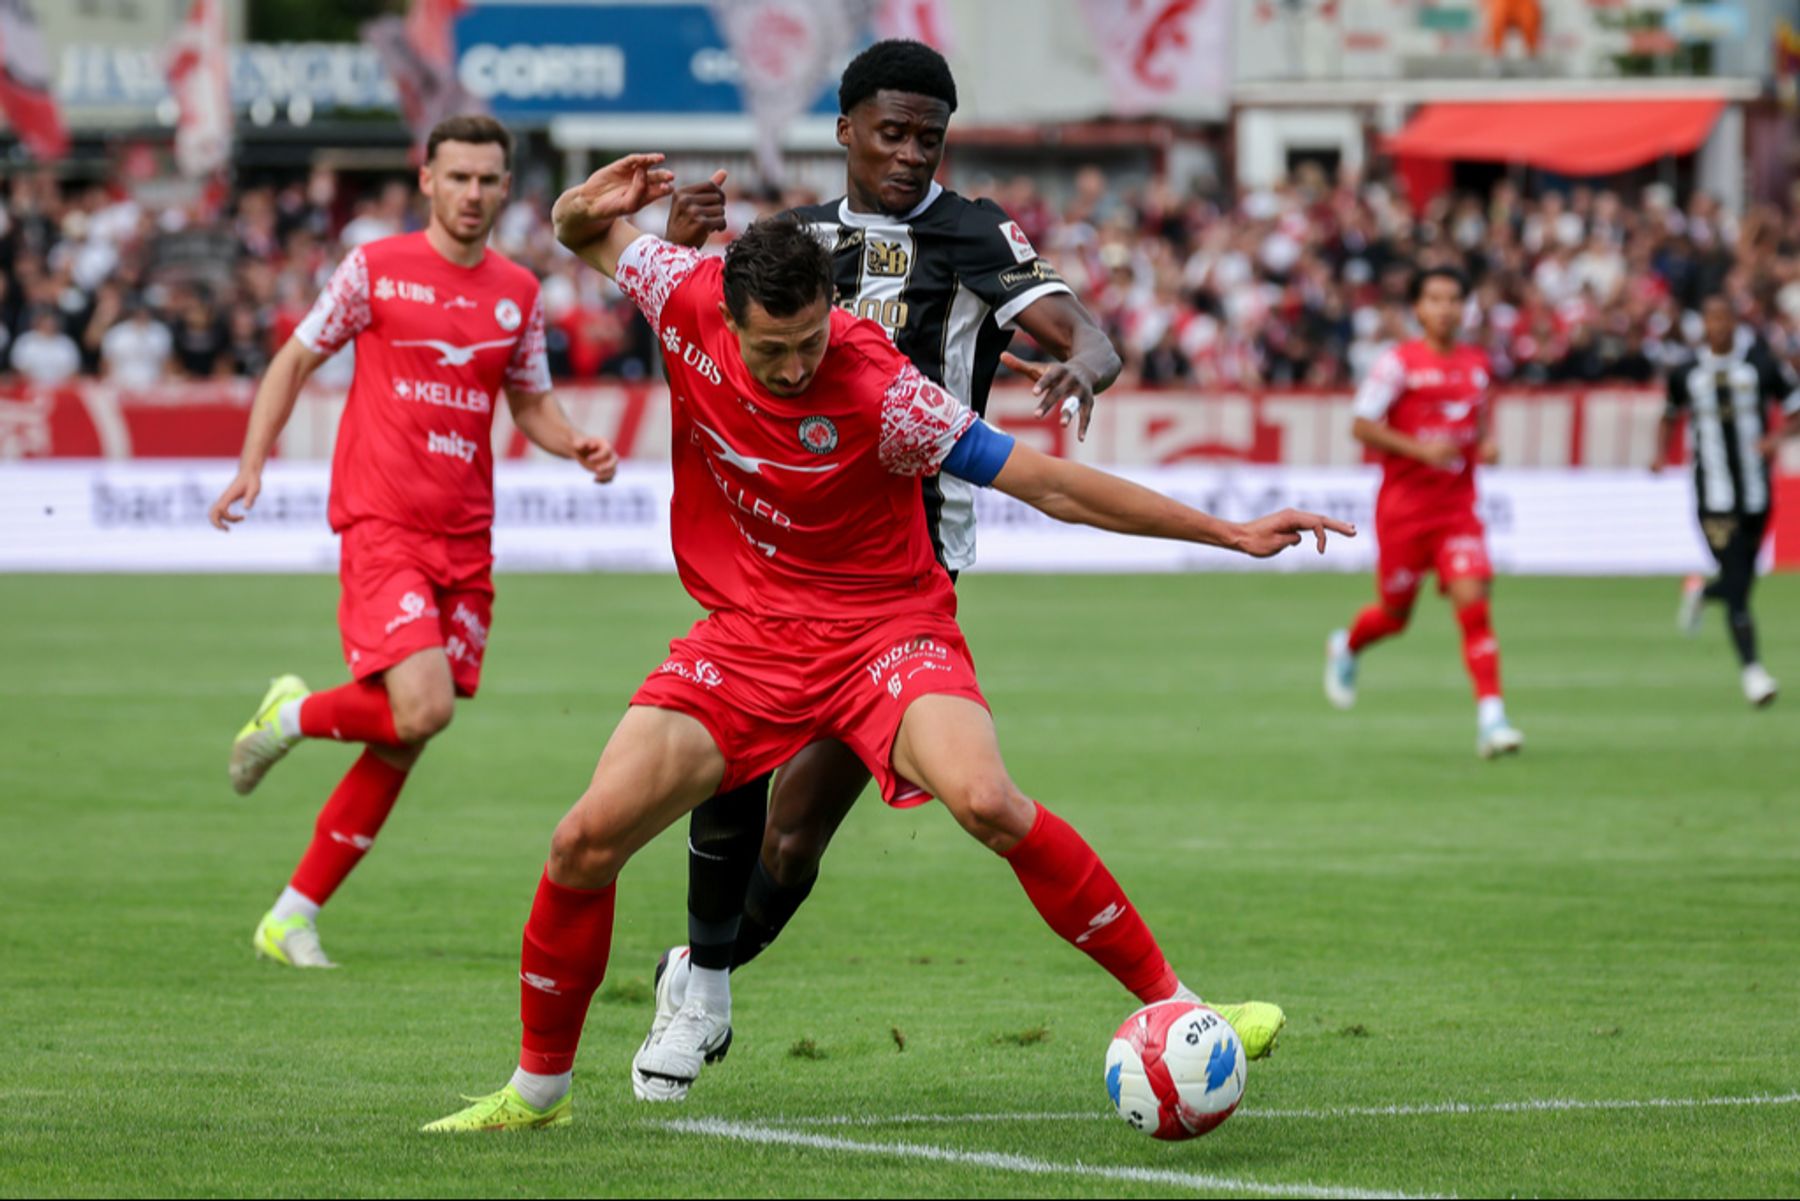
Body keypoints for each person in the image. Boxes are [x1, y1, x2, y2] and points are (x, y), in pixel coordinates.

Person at [422, 154, 1353, 1132]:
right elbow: (579, 231)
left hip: (886, 632)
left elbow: (1050, 484)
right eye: (773, 350)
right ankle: (537, 1093)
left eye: (810, 340)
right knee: (582, 841)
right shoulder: (681, 288)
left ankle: (1178, 1001)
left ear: (832, 310)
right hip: (749, 635)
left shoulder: (884, 389)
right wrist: (584, 201)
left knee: (987, 800)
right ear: (726, 319)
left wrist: (1228, 531)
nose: (796, 367)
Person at [638, 38, 1128, 1098]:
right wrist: (675, 248)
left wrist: (1084, 364)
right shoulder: (793, 242)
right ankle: (704, 990)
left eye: (928, 139)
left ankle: (699, 969)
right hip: (781, 563)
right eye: (893, 133)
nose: (910, 154)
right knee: (734, 766)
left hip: (904, 583)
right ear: (846, 130)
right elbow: (696, 349)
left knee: (796, 834)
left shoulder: (976, 233)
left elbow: (1084, 331)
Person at [206, 115, 619, 969]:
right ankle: (290, 715)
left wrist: (572, 439)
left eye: (488, 179)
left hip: (467, 535)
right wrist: (251, 465)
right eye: (458, 177)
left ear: (506, 188)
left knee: (404, 732)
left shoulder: (518, 291)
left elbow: (530, 401)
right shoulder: (374, 269)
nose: (473, 193)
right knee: (423, 706)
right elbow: (293, 359)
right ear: (426, 180)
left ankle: (291, 915)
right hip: (382, 520)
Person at [1324, 266, 1525, 759]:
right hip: (1404, 512)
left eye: (1454, 299)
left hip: (1457, 510)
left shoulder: (1477, 365)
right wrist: (1420, 450)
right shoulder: (1397, 364)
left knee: (1474, 607)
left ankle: (1493, 719)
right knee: (1395, 616)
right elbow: (1361, 424)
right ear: (1418, 308)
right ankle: (1347, 646)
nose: (1445, 309)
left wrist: (1487, 447)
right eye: (1435, 299)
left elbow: (1476, 431)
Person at [1654, 295, 1800, 706]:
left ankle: (1701, 593)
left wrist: (1775, 440)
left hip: (1756, 494)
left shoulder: (1760, 365)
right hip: (1713, 496)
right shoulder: (1687, 372)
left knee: (1743, 579)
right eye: (1711, 320)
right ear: (1703, 325)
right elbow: (1668, 413)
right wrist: (1659, 454)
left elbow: (1796, 409)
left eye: (1723, 319)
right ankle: (1754, 673)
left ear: (1734, 323)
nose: (1717, 327)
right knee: (1737, 585)